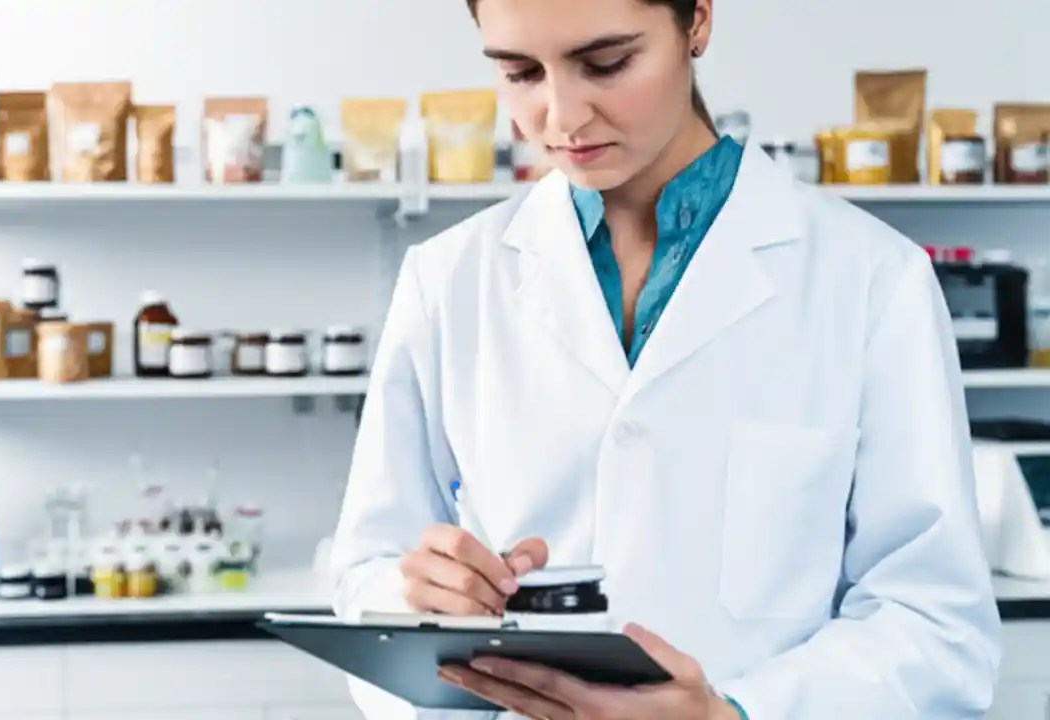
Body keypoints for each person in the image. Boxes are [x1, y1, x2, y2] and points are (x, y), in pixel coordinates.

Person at [330, 0, 1002, 717]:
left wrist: (733, 714)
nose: (561, 117)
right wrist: (428, 603)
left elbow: (935, 627)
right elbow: (372, 575)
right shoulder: (448, 279)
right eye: (521, 72)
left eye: (607, 64)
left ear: (699, 21)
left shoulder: (870, 278)